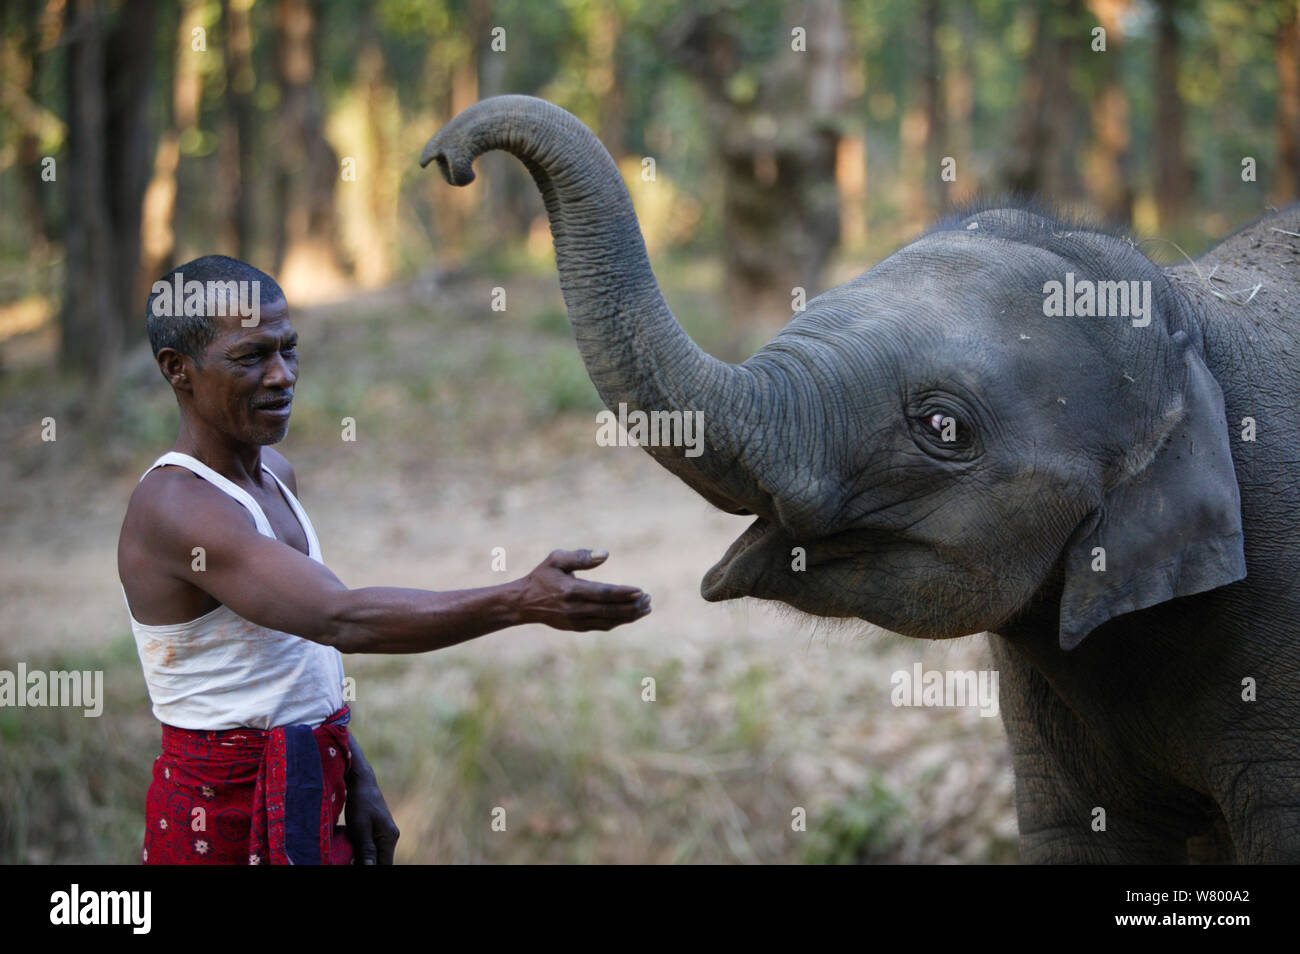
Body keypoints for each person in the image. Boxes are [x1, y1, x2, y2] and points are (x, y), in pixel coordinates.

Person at [116, 255, 651, 865]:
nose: (281, 375)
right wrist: (521, 600)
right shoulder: (175, 509)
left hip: (304, 788)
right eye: (251, 356)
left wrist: (355, 773)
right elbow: (338, 619)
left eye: (289, 350)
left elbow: (295, 661)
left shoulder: (274, 476)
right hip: (221, 820)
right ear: (177, 370)